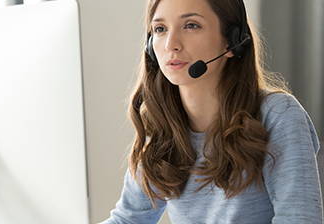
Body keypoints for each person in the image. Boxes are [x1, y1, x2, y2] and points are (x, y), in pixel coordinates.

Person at [100, 0, 323, 223]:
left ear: (232, 41)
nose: (171, 44)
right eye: (160, 29)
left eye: (191, 25)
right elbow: (128, 219)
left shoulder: (278, 115)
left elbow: (299, 218)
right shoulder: (161, 126)